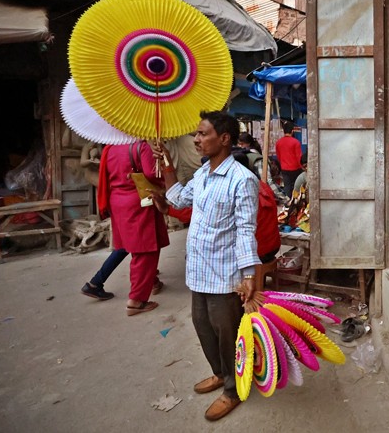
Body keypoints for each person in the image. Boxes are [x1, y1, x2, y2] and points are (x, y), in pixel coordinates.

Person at [153, 111, 262, 422]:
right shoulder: (202, 174)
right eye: (196, 135)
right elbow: (181, 199)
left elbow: (245, 231)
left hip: (225, 276)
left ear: (224, 139)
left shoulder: (243, 181)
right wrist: (167, 167)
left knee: (227, 336)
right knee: (203, 328)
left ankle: (233, 389)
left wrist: (248, 274)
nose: (196, 139)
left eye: (202, 134)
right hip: (198, 272)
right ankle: (219, 373)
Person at [82, 142, 168, 314]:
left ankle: (151, 281)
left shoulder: (109, 148)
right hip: (138, 201)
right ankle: (136, 301)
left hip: (117, 201)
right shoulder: (140, 147)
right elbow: (151, 174)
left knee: (133, 246)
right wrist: (163, 166)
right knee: (145, 250)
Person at [275, 119, 303, 199]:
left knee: (287, 186)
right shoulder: (296, 142)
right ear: (292, 131)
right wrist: (302, 167)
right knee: (296, 187)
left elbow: (278, 156)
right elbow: (299, 157)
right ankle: (295, 204)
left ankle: (287, 203)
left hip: (284, 168)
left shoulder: (278, 142)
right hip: (296, 168)